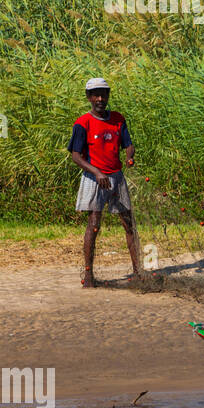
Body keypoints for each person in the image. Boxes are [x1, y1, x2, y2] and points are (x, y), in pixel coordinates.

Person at [68, 77, 141, 287]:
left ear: (108, 96)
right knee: (94, 225)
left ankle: (137, 272)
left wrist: (129, 156)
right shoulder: (82, 123)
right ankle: (89, 275)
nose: (100, 98)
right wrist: (97, 173)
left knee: (129, 224)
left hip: (116, 177)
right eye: (96, 95)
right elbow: (76, 156)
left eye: (104, 94)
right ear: (89, 97)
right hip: (94, 178)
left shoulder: (118, 119)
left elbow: (128, 144)